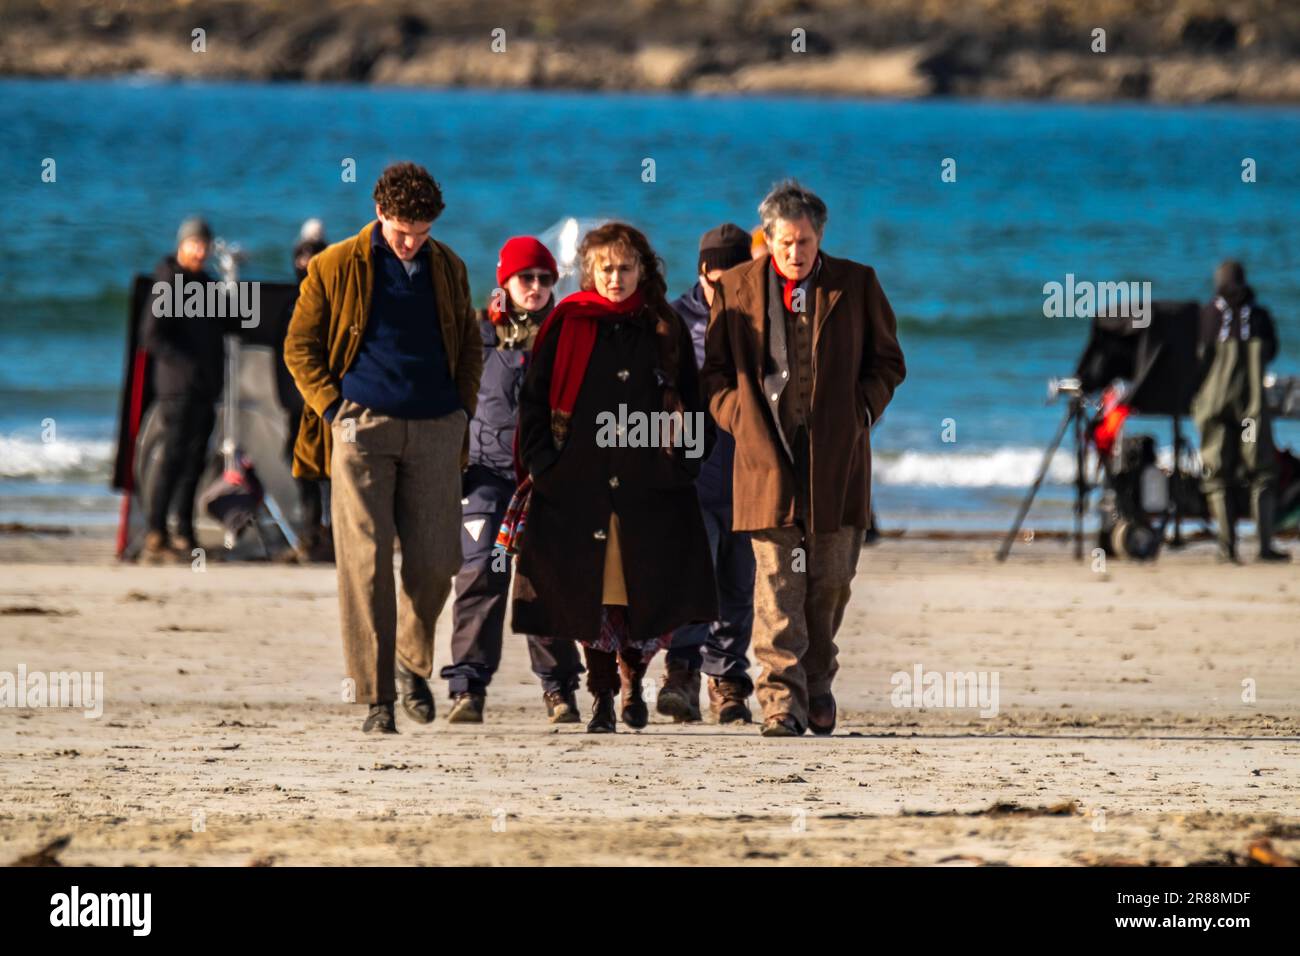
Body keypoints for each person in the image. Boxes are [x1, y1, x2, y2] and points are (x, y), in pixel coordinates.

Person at [702, 180, 906, 737]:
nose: (796, 253)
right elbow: (715, 374)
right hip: (766, 464)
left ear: (821, 238)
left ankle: (817, 683)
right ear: (767, 239)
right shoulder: (738, 286)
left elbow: (888, 362)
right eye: (786, 242)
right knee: (776, 588)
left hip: (838, 466)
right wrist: (739, 419)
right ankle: (779, 703)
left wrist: (862, 410)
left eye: (806, 242)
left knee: (830, 584)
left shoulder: (857, 284)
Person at [284, 162, 483, 734]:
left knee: (437, 562)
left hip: (436, 429)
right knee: (366, 563)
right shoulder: (333, 265)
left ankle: (409, 661)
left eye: (421, 231)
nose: (411, 241)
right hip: (359, 428)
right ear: (379, 212)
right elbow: (299, 347)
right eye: (402, 229)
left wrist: (462, 411)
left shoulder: (448, 266)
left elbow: (470, 344)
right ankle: (378, 701)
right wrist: (331, 409)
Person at [508, 222, 718, 733]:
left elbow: (692, 402)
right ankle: (602, 695)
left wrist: (684, 463)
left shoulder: (664, 325)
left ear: (643, 269)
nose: (616, 278)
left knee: (643, 593)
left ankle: (633, 679)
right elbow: (534, 401)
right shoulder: (568, 322)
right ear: (590, 272)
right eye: (606, 269)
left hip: (651, 487)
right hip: (579, 485)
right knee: (591, 593)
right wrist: (544, 464)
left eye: (626, 268)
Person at [440, 237, 585, 724]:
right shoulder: (477, 333)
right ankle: (468, 688)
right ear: (505, 280)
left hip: (547, 479)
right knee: (482, 571)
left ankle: (559, 689)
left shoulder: (567, 335)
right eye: (527, 278)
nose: (537, 287)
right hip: (486, 476)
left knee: (546, 578)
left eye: (546, 279)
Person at [658, 223, 756, 724]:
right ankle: (681, 675)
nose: (730, 286)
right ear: (703, 271)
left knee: (739, 582)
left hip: (749, 471)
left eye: (742, 274)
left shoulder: (764, 316)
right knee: (694, 578)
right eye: (722, 277)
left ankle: (729, 682)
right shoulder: (674, 319)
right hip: (692, 471)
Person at [1192, 259, 1289, 563]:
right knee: (1258, 471)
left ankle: (1227, 548)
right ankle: (1261, 546)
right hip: (1250, 409)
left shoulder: (1207, 316)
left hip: (1216, 405)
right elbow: (1271, 351)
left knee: (1220, 473)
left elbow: (1196, 361)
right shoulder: (1259, 317)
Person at [139, 216, 224, 562]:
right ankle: (155, 531)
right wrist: (187, 366)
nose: (200, 251)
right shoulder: (167, 282)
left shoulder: (208, 283)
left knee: (196, 462)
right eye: (194, 244)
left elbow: (228, 324)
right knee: (172, 459)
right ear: (181, 245)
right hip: (177, 388)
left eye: (205, 245)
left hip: (206, 389)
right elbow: (150, 336)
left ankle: (185, 531)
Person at [273, 219, 331, 562]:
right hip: (299, 402)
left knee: (329, 469)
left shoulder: (329, 298)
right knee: (301, 462)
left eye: (313, 255)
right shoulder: (294, 301)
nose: (305, 263)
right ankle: (313, 534)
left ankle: (327, 534)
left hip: (323, 400)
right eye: (301, 256)